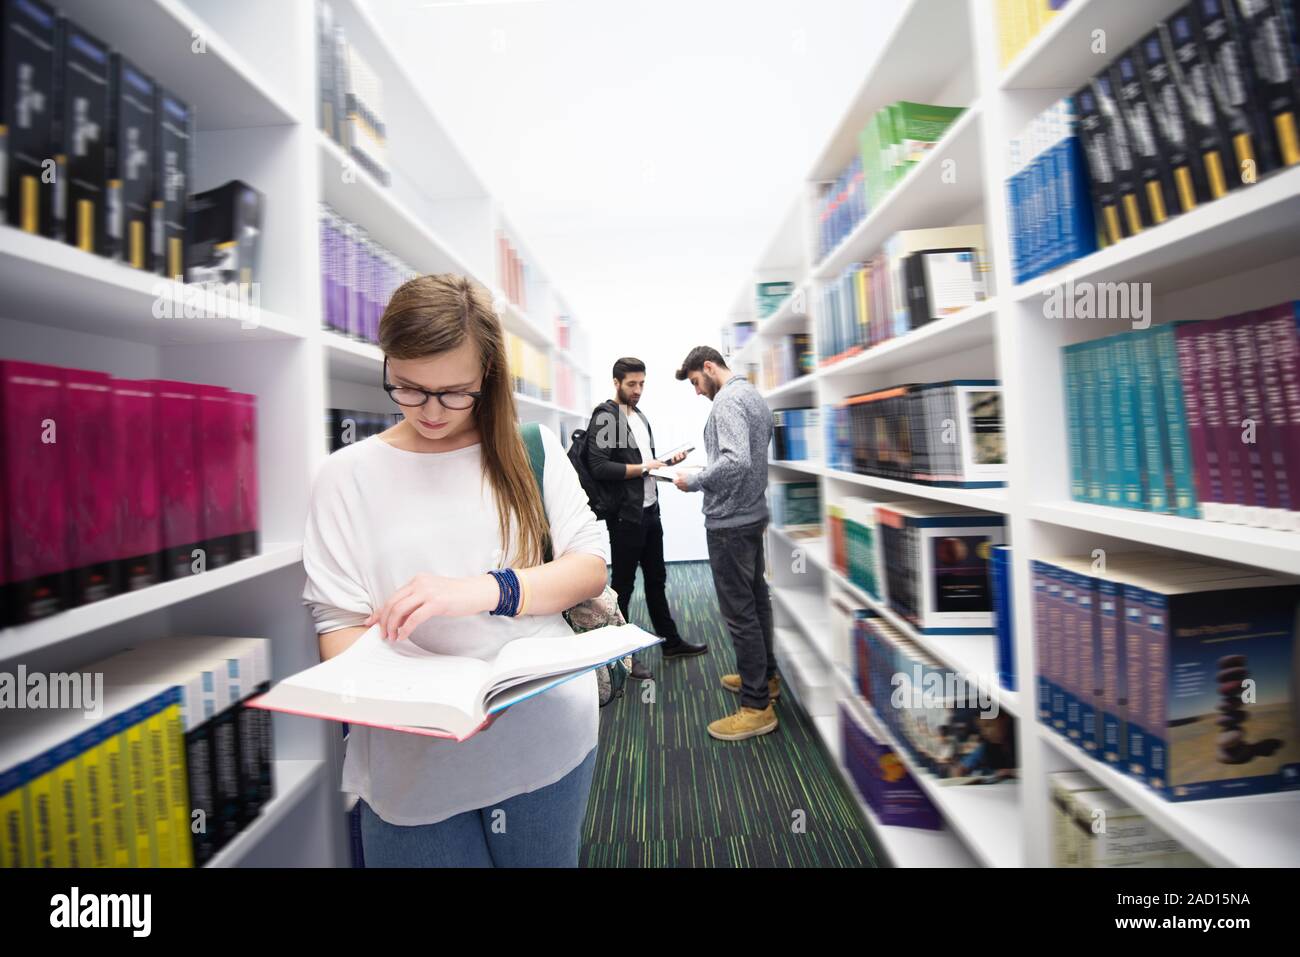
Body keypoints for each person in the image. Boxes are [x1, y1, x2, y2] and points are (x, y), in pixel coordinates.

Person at [301, 273, 610, 867]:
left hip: (544, 737)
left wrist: (482, 590)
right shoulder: (345, 475)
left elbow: (589, 566)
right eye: (409, 388)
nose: (431, 411)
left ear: (487, 377)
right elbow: (336, 626)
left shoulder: (528, 450)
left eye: (455, 392)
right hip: (410, 761)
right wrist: (408, 706)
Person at [672, 346, 778, 741]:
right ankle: (765, 680)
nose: (698, 392)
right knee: (756, 602)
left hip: (730, 524)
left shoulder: (728, 403)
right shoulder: (752, 395)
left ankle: (756, 707)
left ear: (709, 367)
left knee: (740, 614)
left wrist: (695, 479)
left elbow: (736, 461)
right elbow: (747, 458)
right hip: (751, 515)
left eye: (697, 383)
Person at [585, 358, 707, 678]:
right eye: (631, 385)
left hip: (650, 510)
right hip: (627, 516)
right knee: (623, 587)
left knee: (657, 580)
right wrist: (643, 469)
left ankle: (671, 642)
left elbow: (643, 462)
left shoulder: (637, 416)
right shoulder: (607, 418)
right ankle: (622, 657)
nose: (638, 391)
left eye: (642, 384)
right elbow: (600, 467)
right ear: (616, 383)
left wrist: (665, 462)